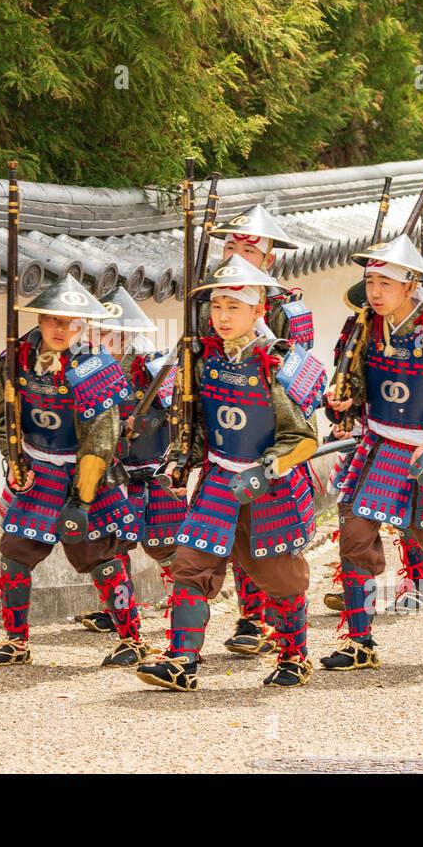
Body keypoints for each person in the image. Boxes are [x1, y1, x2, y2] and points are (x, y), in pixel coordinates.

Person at [135, 256, 325, 690]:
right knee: (191, 563)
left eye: (233, 307)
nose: (221, 316)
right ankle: (182, 660)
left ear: (258, 312)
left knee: (279, 577)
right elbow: (200, 423)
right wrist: (183, 458)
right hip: (220, 478)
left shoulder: (279, 362)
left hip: (270, 485)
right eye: (216, 305)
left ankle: (295, 656)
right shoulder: (201, 358)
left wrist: (267, 468)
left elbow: (304, 438)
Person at [322, 234, 423, 669]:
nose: (375, 292)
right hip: (378, 444)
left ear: (411, 285)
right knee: (356, 537)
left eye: (385, 283)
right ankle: (359, 641)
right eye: (370, 281)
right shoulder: (363, 325)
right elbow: (356, 384)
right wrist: (343, 397)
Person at [0, 275, 148, 668]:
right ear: (39, 319)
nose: (60, 329)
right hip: (37, 470)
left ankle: (132, 638)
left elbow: (100, 441)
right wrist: (16, 462)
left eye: (71, 321)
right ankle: (16, 642)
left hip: (84, 472)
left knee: (100, 558)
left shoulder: (96, 366)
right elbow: (2, 421)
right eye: (52, 319)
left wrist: (81, 498)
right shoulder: (15, 357)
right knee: (15, 555)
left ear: (84, 324)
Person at [204, 203, 315, 655]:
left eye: (248, 248)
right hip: (225, 431)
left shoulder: (289, 311)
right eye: (230, 246)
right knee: (233, 533)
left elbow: (298, 375)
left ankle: (280, 626)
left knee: (269, 538)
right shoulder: (211, 301)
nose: (236, 254)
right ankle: (250, 619)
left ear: (269, 260)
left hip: (273, 431)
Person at [72, 287, 182, 634]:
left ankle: (186, 603)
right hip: (112, 471)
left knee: (164, 545)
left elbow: (175, 414)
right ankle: (118, 610)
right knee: (112, 544)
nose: (104, 337)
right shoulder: (87, 368)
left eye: (111, 331)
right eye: (98, 329)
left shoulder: (154, 366)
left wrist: (144, 422)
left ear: (127, 332)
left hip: (150, 470)